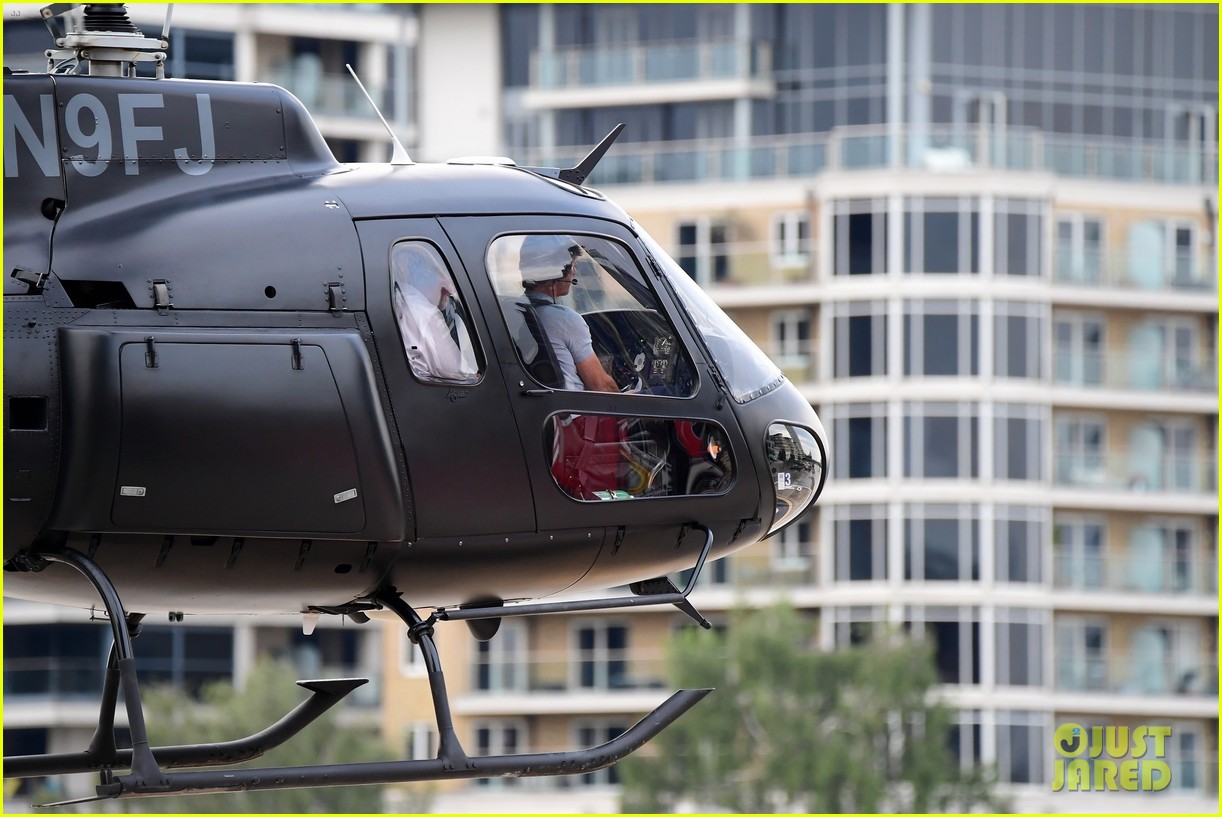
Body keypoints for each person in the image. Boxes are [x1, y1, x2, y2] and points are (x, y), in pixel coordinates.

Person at [518, 234, 619, 392]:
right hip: (573, 414)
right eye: (571, 265)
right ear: (556, 272)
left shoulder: (510, 310)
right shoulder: (564, 319)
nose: (574, 271)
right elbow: (601, 387)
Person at [391, 244, 479, 384]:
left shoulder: (399, 301)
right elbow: (459, 374)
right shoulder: (423, 313)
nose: (449, 288)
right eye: (440, 275)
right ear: (419, 276)